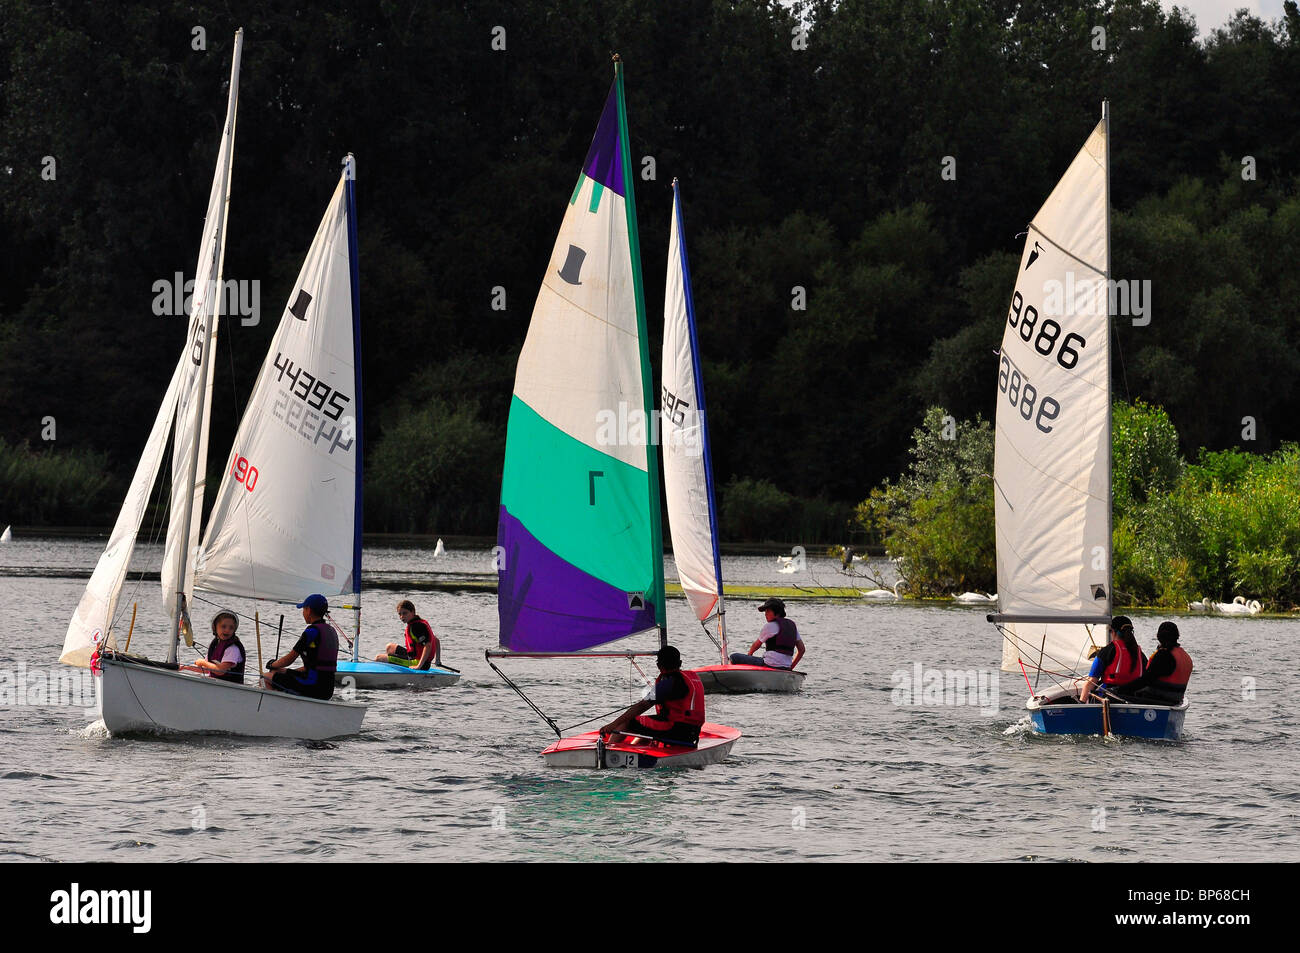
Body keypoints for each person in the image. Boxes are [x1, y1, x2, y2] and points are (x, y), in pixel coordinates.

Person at [600, 645, 706, 747]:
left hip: (675, 730)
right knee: (647, 725)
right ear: (680, 663)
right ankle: (635, 747)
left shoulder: (668, 683)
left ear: (658, 665)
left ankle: (609, 749)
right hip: (693, 731)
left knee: (628, 722)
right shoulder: (692, 677)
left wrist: (612, 725)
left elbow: (642, 706)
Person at [261, 593, 338, 700]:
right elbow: (313, 666)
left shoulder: (311, 632)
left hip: (313, 686)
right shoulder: (331, 631)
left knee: (266, 677)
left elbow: (289, 659)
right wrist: (285, 671)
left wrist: (272, 664)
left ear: (309, 610)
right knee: (277, 672)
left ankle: (275, 708)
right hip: (328, 689)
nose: (303, 613)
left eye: (303, 610)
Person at [1107, 621, 1193, 705]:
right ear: (1177, 636)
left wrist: (1118, 689)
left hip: (1158, 700)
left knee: (1110, 695)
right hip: (1176, 700)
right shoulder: (1185, 656)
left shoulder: (1164, 655)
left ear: (1158, 636)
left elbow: (1145, 680)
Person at [1079, 616, 1145, 703]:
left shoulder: (1107, 651)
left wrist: (1081, 703)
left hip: (1110, 700)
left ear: (1113, 632)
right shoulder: (1140, 653)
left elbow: (1091, 681)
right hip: (1134, 699)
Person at [728, 597, 805, 669]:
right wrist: (790, 667)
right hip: (786, 666)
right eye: (765, 611)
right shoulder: (792, 626)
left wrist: (749, 655)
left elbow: (756, 645)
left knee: (734, 657)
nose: (765, 614)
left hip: (769, 664)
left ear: (777, 613)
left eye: (768, 611)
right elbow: (802, 650)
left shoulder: (770, 625)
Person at [185, 610, 246, 684]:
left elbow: (221, 671)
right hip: (217, 685)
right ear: (215, 628)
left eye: (231, 628)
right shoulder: (215, 646)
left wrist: (203, 662)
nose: (227, 630)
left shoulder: (233, 648)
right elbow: (207, 669)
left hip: (232, 688)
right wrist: (184, 667)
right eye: (223, 626)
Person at [378, 599, 440, 670]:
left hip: (418, 662)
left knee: (379, 658)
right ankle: (396, 671)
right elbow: (436, 640)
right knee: (389, 647)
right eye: (400, 614)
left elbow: (428, 645)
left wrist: (418, 666)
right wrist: (437, 660)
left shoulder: (416, 626)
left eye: (405, 613)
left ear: (412, 612)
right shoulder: (419, 622)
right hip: (416, 658)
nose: (402, 617)